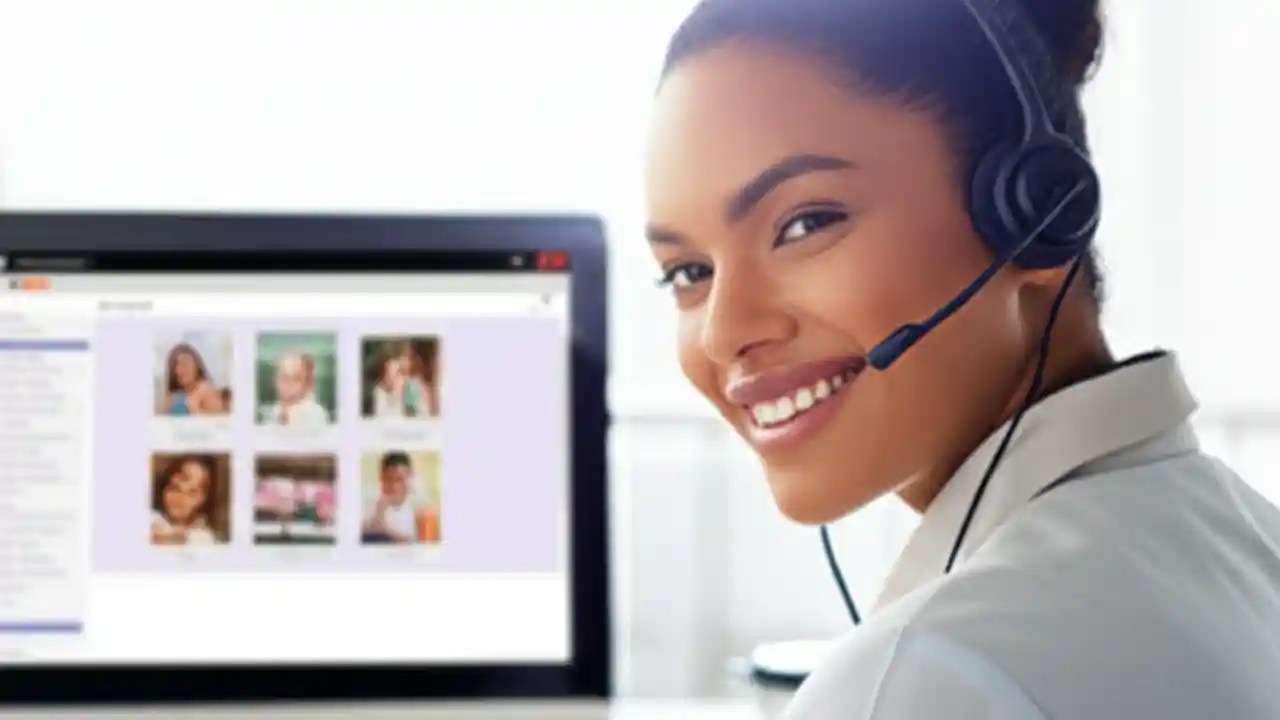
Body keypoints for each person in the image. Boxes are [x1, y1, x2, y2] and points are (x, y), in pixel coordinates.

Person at [646, 1, 1280, 718]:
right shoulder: (1248, 547)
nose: (724, 332)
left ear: (1041, 213)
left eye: (804, 224)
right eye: (688, 273)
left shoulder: (927, 676)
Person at [362, 452, 436, 544]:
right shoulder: (370, 500)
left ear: (410, 478)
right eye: (388, 479)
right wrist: (379, 515)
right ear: (381, 479)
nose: (394, 486)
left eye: (400, 479)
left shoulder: (419, 504)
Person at [151, 455, 220, 545]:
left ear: (204, 499)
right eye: (175, 488)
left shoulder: (204, 539)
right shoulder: (149, 520)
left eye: (191, 493)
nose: (181, 498)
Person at [258, 351, 331, 427]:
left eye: (296, 378)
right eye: (284, 377)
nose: (289, 383)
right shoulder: (270, 413)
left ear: (307, 382)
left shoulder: (316, 414)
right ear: (275, 380)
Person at [157, 342, 226, 416]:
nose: (179, 370)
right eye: (175, 366)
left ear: (196, 366)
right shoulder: (173, 396)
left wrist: (195, 411)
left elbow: (219, 422)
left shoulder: (206, 390)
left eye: (185, 365)